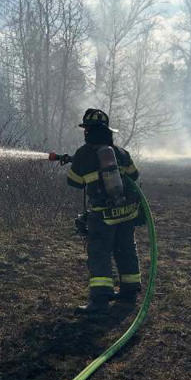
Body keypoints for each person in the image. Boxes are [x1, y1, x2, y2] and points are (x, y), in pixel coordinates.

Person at [67, 108, 142, 313]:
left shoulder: (84, 153)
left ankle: (99, 299)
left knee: (99, 252)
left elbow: (73, 182)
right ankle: (129, 290)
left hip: (102, 216)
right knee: (125, 249)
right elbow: (134, 176)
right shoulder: (120, 152)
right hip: (127, 213)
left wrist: (79, 163)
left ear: (87, 131)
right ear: (108, 131)